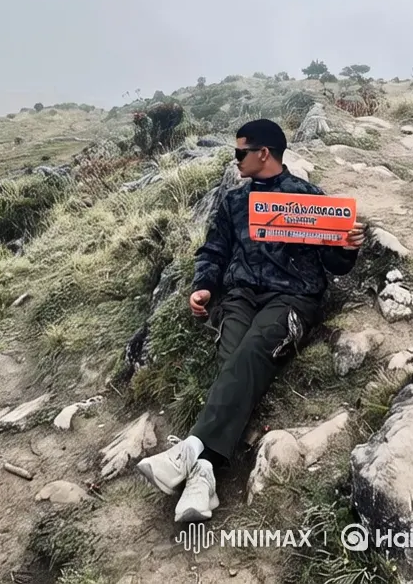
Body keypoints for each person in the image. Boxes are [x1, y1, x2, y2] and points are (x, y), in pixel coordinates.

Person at [136, 118, 365, 522]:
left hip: (293, 298)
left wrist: (347, 246)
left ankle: (190, 450)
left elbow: (335, 264)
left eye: (240, 152)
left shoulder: (308, 198)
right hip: (240, 297)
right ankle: (204, 477)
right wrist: (204, 287)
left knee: (252, 351)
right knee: (233, 359)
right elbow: (213, 250)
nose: (235, 159)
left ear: (263, 153)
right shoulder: (234, 201)